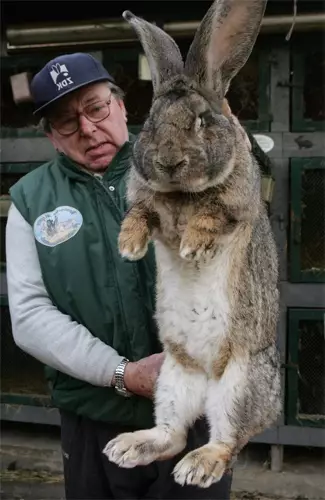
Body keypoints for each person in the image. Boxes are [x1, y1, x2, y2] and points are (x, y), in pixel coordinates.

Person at [6, 52, 233, 499]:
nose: (88, 130)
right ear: (52, 137)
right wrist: (122, 373)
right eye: (66, 122)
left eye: (95, 108)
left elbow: (237, 263)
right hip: (94, 420)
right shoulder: (30, 201)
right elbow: (30, 315)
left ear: (122, 105)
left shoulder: (184, 169)